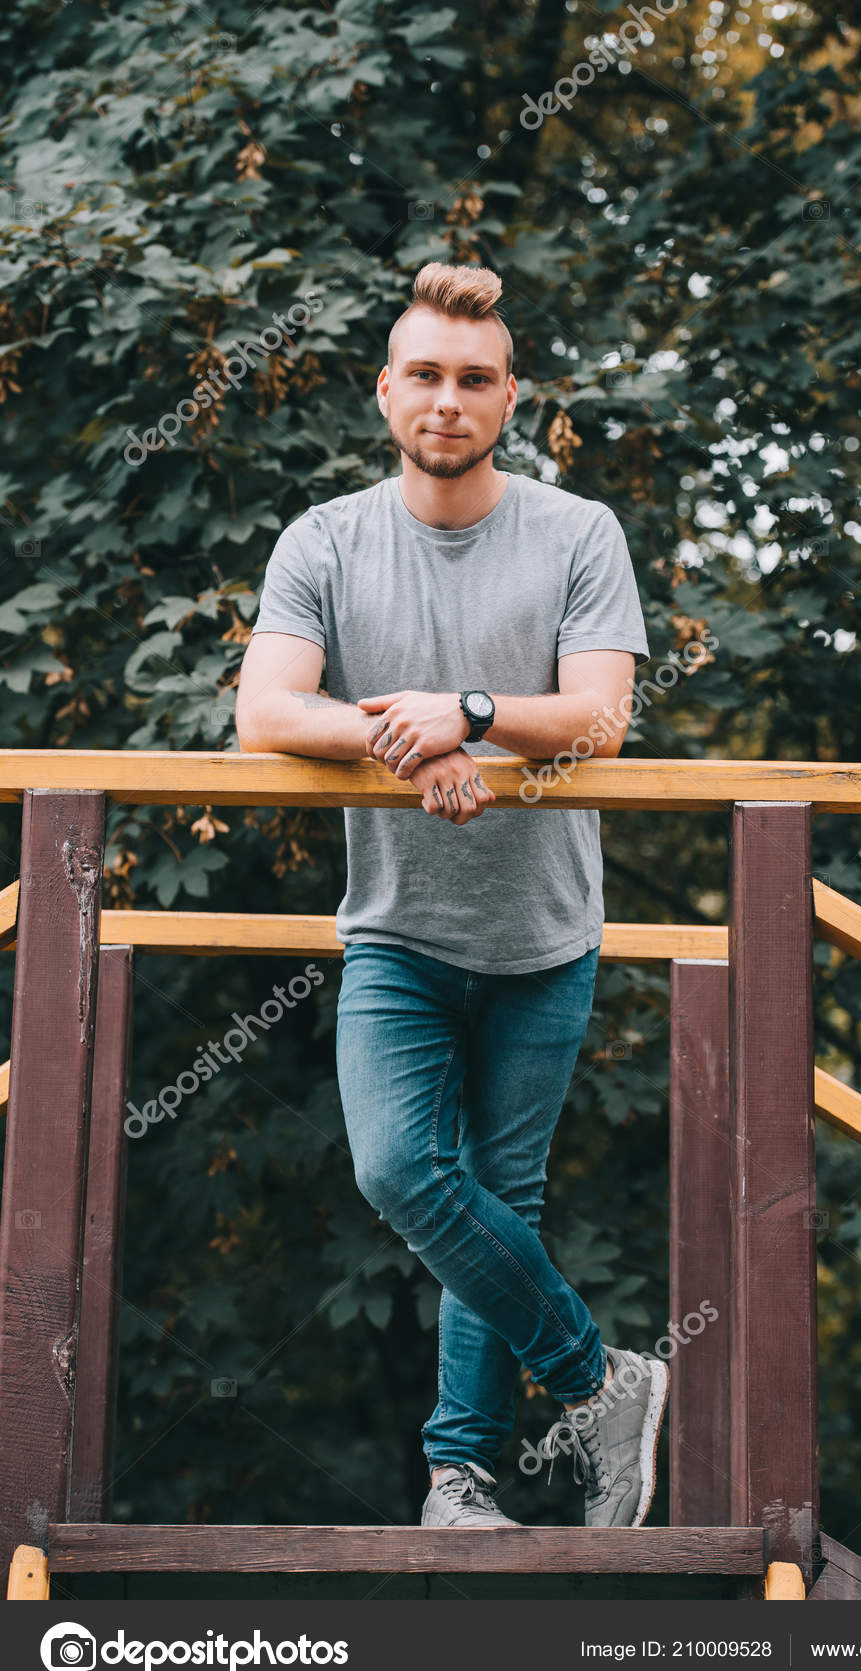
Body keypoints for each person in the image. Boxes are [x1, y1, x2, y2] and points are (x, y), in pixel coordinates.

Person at [236, 260, 668, 1530]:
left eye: (474, 379)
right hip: (397, 934)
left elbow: (603, 717)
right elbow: (266, 707)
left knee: (502, 1196)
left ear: (509, 397)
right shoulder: (325, 538)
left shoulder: (579, 530)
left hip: (545, 935)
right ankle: (604, 1380)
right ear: (385, 391)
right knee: (403, 1173)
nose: (447, 400)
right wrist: (404, 740)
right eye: (423, 375)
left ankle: (461, 1481)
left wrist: (472, 712)